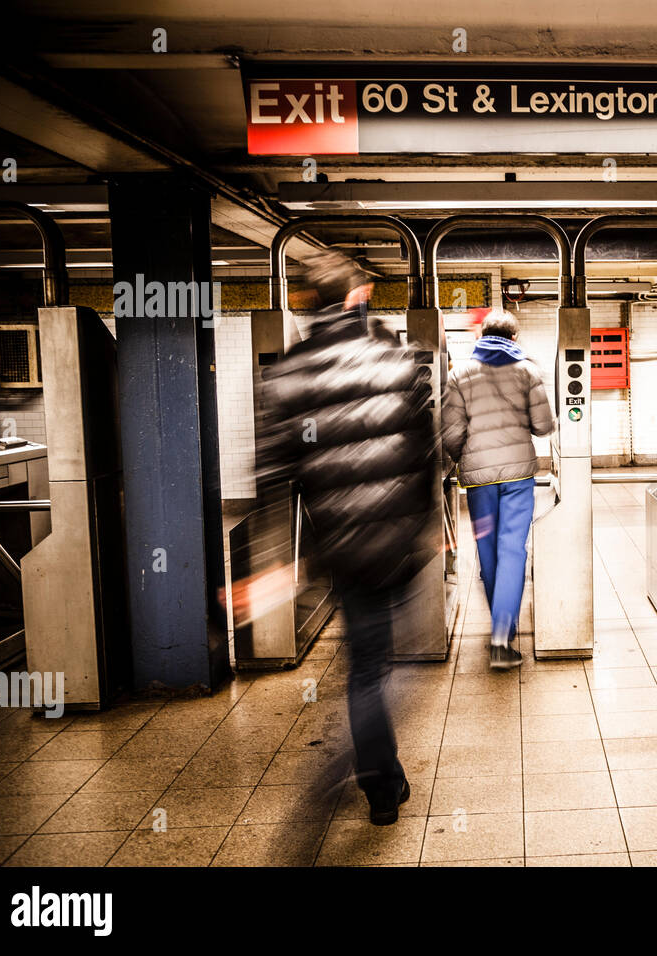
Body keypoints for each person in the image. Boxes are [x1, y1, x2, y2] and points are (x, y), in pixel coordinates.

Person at [255, 250, 436, 825]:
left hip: (340, 545)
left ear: (308, 303)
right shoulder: (396, 358)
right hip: (398, 541)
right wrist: (431, 524)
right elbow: (422, 450)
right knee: (393, 663)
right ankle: (364, 765)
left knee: (366, 664)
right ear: (358, 297)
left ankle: (380, 783)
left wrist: (275, 560)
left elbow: (271, 474)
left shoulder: (285, 373)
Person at [443, 308, 554, 669]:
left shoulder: (458, 374)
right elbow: (543, 426)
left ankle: (500, 626)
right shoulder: (528, 371)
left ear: (481, 337)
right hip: (517, 479)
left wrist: (468, 457)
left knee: (487, 550)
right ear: (514, 338)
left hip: (478, 482)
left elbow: (451, 434)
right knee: (513, 550)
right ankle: (502, 637)